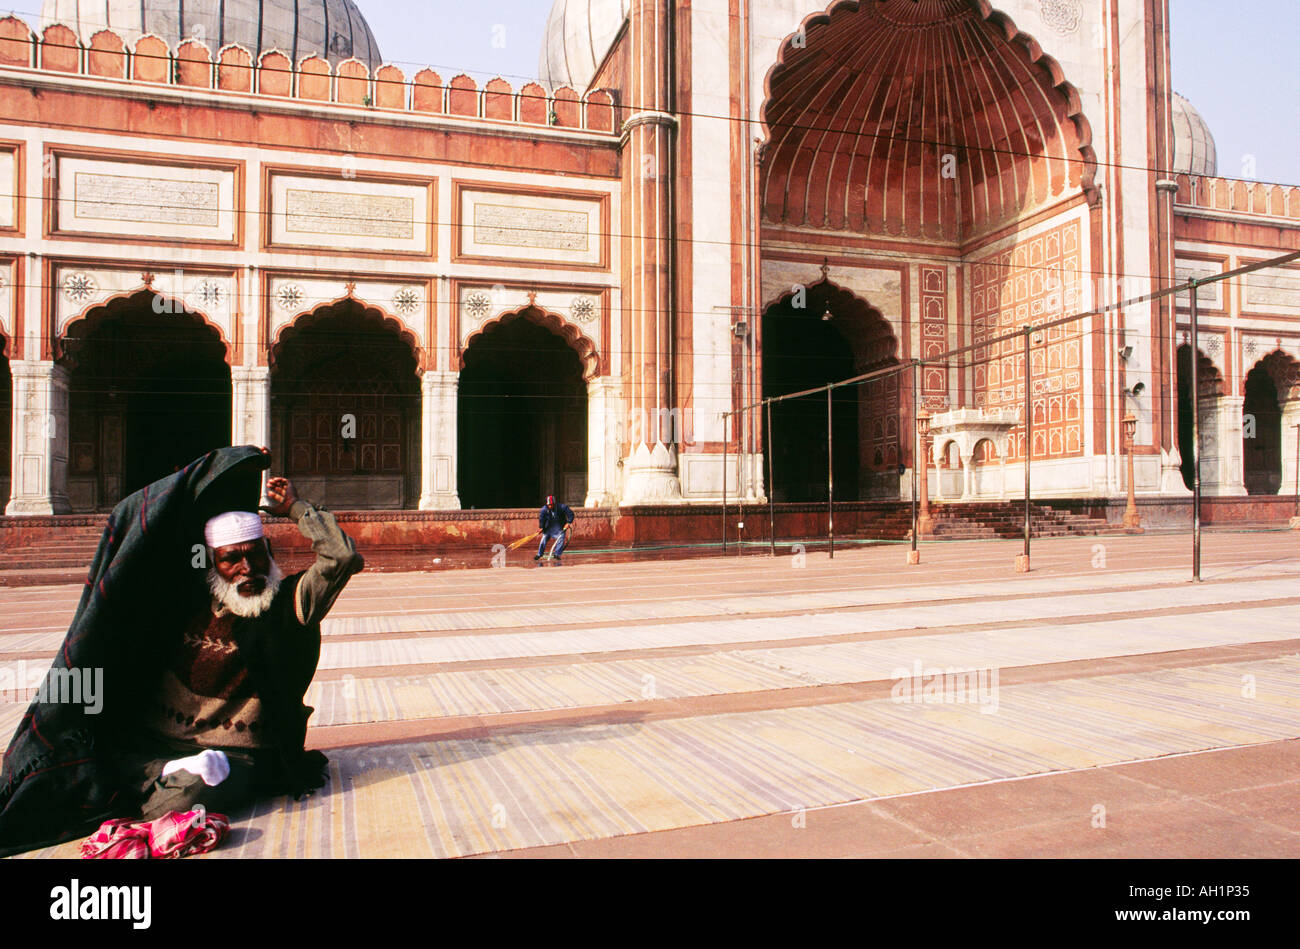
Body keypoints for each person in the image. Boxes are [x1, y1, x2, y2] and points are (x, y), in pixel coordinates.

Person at [0, 445, 363, 857]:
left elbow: (342, 557)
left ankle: (160, 782)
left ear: (269, 554)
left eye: (255, 555)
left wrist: (297, 508)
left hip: (235, 755)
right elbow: (144, 521)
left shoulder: (290, 604)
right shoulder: (185, 600)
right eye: (231, 560)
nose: (247, 569)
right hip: (157, 745)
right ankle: (158, 773)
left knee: (195, 790)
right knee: (78, 752)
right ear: (213, 563)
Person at [535, 494, 575, 565]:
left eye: (551, 505)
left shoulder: (562, 507)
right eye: (549, 505)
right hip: (548, 527)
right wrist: (541, 527)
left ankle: (557, 554)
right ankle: (539, 554)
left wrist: (568, 523)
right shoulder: (544, 509)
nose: (550, 506)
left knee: (561, 538)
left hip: (559, 527)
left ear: (554, 503)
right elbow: (542, 518)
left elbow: (571, 514)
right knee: (543, 539)